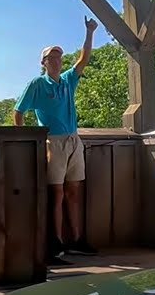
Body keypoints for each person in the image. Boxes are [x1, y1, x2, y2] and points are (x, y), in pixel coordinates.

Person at [13, 17, 98, 264]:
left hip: (74, 140)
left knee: (73, 190)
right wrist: (25, 139)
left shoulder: (68, 80)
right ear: (43, 62)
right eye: (52, 57)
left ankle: (77, 240)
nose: (57, 60)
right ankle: (55, 244)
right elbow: (19, 111)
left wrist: (90, 32)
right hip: (53, 142)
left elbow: (84, 59)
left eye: (59, 56)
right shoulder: (37, 84)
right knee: (57, 193)